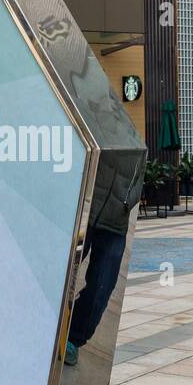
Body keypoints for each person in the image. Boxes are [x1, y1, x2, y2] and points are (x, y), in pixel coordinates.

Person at [65, 149, 144, 366]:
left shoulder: (133, 135)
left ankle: (74, 337)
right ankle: (46, 323)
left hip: (116, 219)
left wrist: (129, 200)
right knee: (61, 272)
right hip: (84, 210)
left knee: (102, 285)